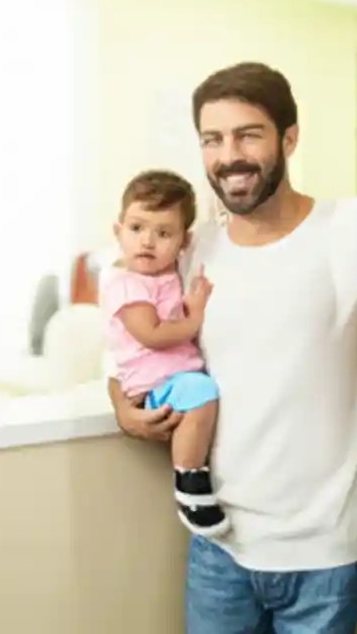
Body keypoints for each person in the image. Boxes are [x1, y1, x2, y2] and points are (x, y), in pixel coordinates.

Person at [106, 62, 357, 632]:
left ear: (289, 138)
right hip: (218, 546)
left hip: (324, 553)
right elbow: (129, 339)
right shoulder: (192, 248)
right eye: (213, 139)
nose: (228, 154)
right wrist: (121, 402)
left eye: (248, 134)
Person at [101, 169, 227, 537]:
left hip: (171, 379)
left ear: (184, 241)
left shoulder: (169, 275)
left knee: (199, 392)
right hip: (155, 384)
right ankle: (189, 480)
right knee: (202, 393)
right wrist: (196, 317)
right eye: (137, 228)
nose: (148, 242)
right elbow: (153, 334)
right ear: (118, 231)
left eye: (163, 233)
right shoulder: (126, 285)